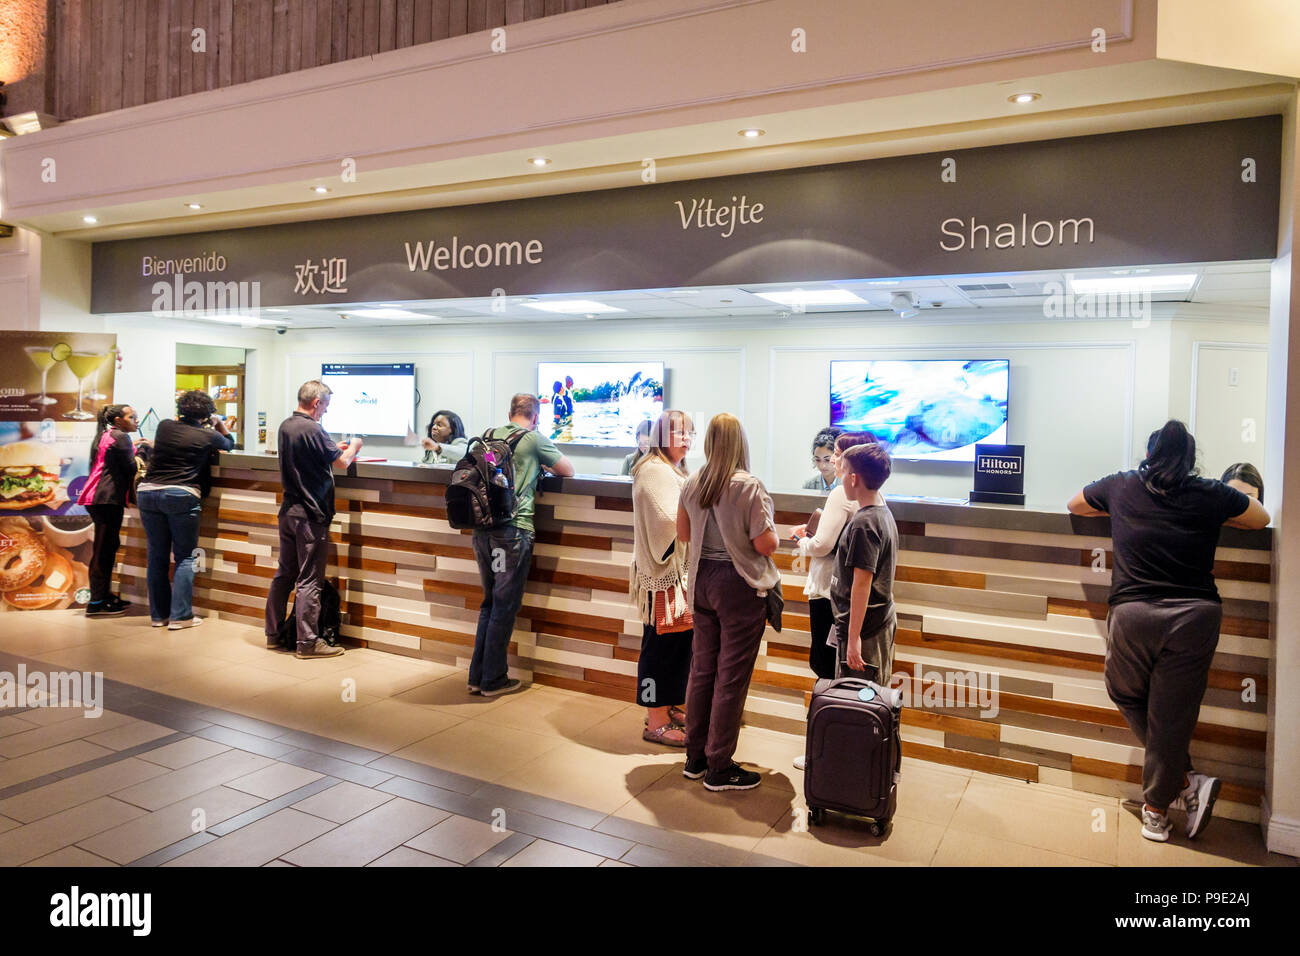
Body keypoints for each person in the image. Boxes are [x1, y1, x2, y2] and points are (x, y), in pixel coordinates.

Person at [1068, 420, 1270, 844]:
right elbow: (1261, 518)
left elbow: (1075, 505)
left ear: (1148, 454)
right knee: (1172, 714)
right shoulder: (1212, 493)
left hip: (1134, 612)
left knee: (1125, 693)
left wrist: (1118, 507)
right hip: (1195, 616)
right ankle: (1164, 802)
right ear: (1192, 461)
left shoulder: (1122, 484)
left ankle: (1176, 789)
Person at [676, 413, 780, 792]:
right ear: (741, 443)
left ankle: (695, 757)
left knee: (702, 669)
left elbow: (683, 533)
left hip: (700, 581)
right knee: (731, 676)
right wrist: (779, 537)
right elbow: (764, 544)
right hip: (737, 587)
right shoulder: (749, 486)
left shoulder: (692, 482)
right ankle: (720, 766)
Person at [469, 393, 574, 696]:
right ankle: (493, 680)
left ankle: (477, 677)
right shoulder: (532, 439)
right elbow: (568, 470)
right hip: (512, 533)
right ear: (536, 416)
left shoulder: (486, 437)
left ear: (510, 412)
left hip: (483, 532)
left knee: (489, 602)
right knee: (503, 604)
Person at [265, 381, 363, 658]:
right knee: (309, 579)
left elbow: (314, 455)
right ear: (317, 402)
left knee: (284, 574)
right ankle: (307, 643)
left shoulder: (287, 425)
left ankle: (273, 633)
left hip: (288, 511)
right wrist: (354, 445)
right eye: (326, 407)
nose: (325, 413)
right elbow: (342, 463)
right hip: (310, 514)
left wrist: (333, 448)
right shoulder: (313, 428)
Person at [137, 391, 233, 629]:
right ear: (208, 414)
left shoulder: (165, 426)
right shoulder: (208, 435)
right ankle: (181, 616)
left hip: (148, 492)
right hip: (181, 494)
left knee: (156, 557)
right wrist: (221, 424)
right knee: (185, 557)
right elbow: (230, 445)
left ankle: (159, 616)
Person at [630, 410, 695, 746]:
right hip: (663, 575)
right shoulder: (654, 470)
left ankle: (668, 707)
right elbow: (669, 521)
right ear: (661, 435)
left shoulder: (671, 469)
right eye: (679, 432)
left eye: (689, 433)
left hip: (677, 576)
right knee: (659, 648)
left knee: (677, 646)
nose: (685, 438)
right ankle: (655, 719)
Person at [790, 431, 877, 680]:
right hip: (848, 595)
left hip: (830, 591)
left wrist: (802, 540)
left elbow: (821, 546)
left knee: (825, 666)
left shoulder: (842, 493)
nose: (832, 463)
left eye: (836, 455)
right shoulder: (874, 495)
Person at [830, 442, 899, 683]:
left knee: (859, 700)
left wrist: (853, 638)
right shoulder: (881, 512)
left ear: (854, 478)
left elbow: (862, 583)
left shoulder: (865, 524)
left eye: (844, 470)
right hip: (873, 623)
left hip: (866, 629)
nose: (841, 477)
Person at [79, 403, 147, 618]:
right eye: (132, 417)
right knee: (104, 550)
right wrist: (143, 450)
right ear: (118, 420)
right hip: (106, 498)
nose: (136, 420)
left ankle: (103, 596)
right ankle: (96, 602)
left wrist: (133, 446)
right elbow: (130, 467)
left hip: (99, 498)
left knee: (106, 547)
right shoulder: (120, 437)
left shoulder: (108, 434)